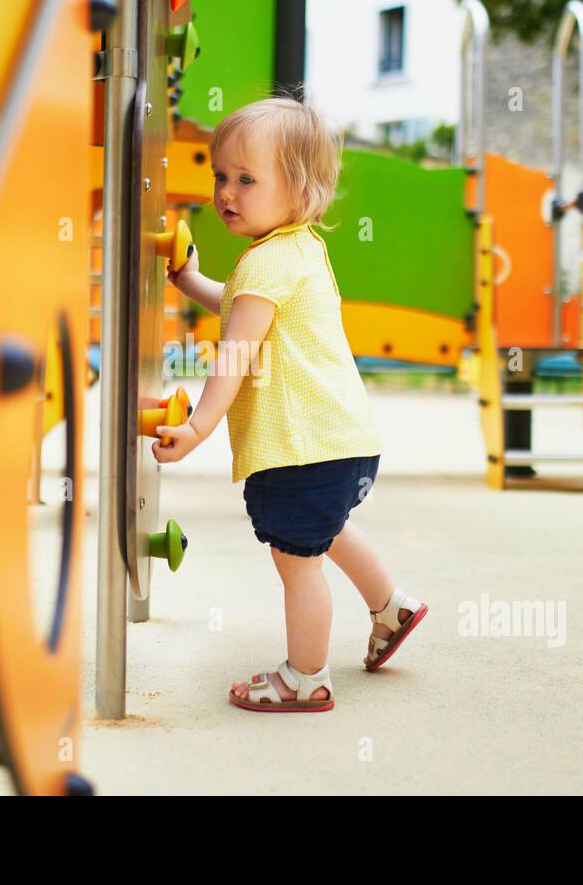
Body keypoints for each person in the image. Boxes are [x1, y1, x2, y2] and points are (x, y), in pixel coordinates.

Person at [153, 91, 427, 712]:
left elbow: (237, 351)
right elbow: (243, 309)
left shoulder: (266, 264)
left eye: (247, 179)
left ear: (298, 189)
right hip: (343, 444)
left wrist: (198, 427)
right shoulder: (296, 250)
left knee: (297, 563)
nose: (226, 191)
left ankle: (306, 676)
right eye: (221, 176)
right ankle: (392, 608)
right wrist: (192, 280)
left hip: (301, 449)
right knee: (326, 532)